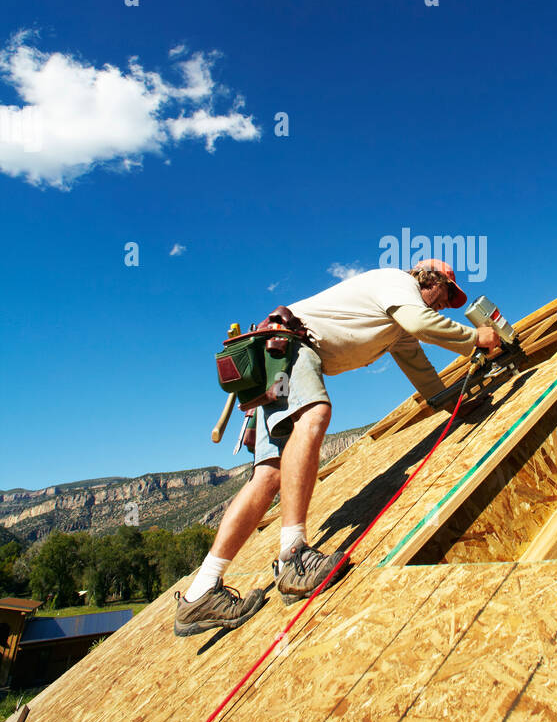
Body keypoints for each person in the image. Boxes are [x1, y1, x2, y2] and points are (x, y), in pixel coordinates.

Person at [173, 260, 498, 636]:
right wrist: (478, 338)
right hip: (289, 348)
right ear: (429, 279)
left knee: (268, 475)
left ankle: (200, 593)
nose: (446, 305)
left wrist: (453, 405)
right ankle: (294, 557)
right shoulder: (397, 283)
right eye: (447, 295)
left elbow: (419, 368)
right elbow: (423, 323)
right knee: (314, 415)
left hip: (271, 358)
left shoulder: (396, 326)